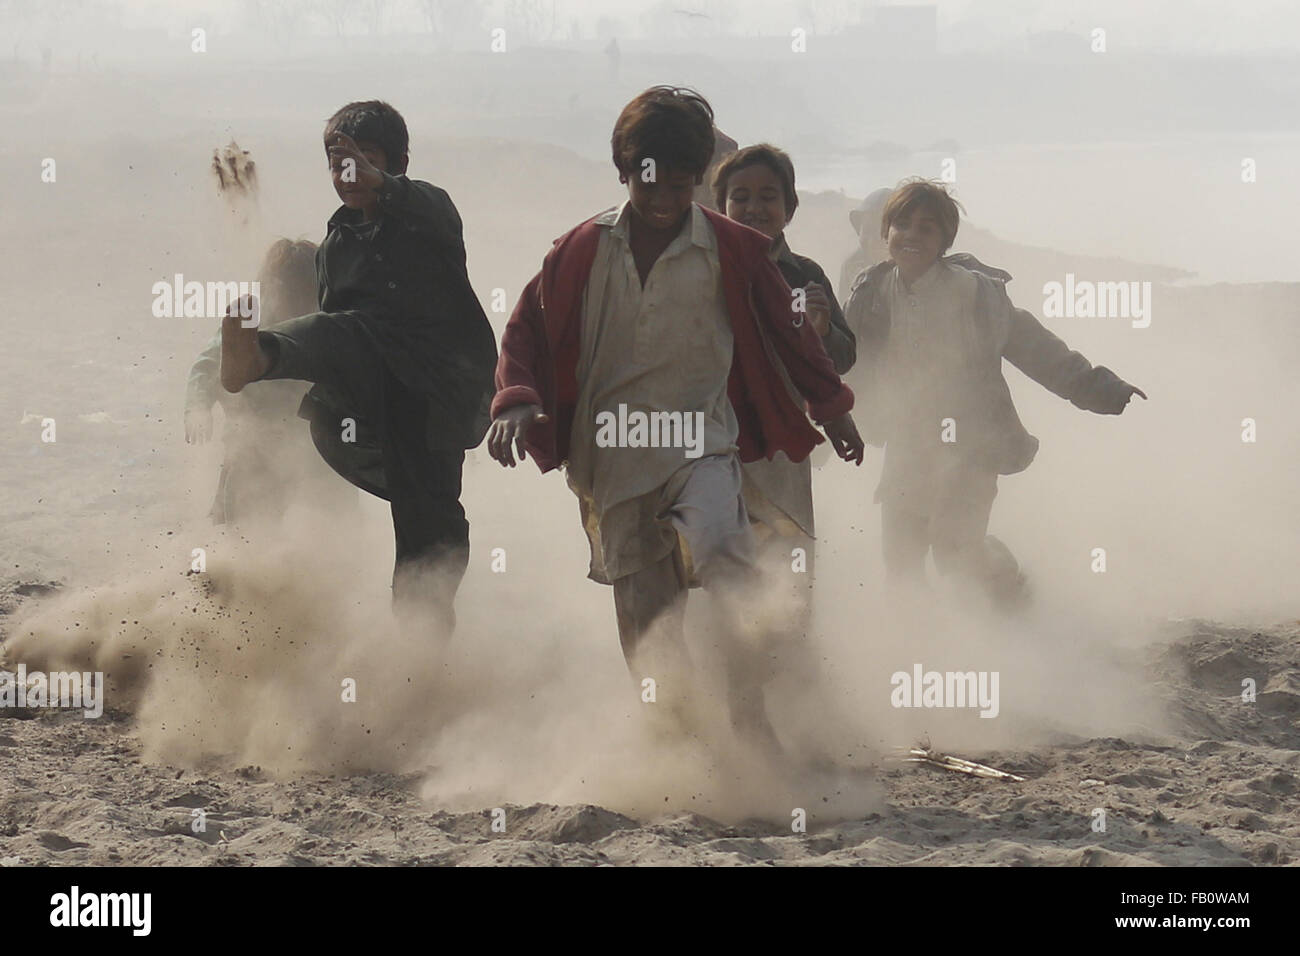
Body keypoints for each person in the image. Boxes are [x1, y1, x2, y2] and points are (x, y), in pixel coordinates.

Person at [488, 87, 864, 754]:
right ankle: (679, 740)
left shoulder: (734, 249)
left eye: (681, 181)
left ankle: (752, 717)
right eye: (647, 177)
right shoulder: (580, 250)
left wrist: (832, 410)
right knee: (647, 611)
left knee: (733, 568)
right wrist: (516, 396)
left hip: (702, 442)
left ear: (698, 180)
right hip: (614, 456)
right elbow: (527, 328)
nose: (663, 195)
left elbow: (790, 333)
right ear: (625, 169)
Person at [219, 100, 498, 634]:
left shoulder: (429, 212)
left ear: (398, 162)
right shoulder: (336, 247)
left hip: (436, 400)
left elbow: (428, 210)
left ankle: (422, 666)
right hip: (372, 394)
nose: (350, 174)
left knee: (431, 542)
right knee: (337, 330)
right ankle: (258, 358)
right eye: (338, 164)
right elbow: (331, 334)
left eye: (365, 160)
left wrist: (383, 185)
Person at [843, 179, 1146, 610]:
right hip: (907, 443)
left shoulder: (976, 294)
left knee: (955, 552)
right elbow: (846, 359)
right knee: (901, 558)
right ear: (885, 231)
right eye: (902, 224)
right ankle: (910, 645)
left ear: (945, 241)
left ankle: (1005, 583)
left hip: (971, 444)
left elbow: (1035, 347)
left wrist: (1098, 387)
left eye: (926, 228)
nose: (911, 235)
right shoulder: (869, 292)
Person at [711, 143, 855, 637]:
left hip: (781, 447)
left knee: (790, 555)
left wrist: (821, 334)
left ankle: (795, 673)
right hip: (713, 440)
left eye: (769, 196)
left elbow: (844, 358)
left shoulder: (803, 274)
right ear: (720, 206)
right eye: (740, 197)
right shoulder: (705, 269)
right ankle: (733, 681)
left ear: (790, 208)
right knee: (721, 565)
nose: (754, 208)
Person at [185, 239, 354, 525]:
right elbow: (208, 364)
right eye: (287, 289)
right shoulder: (251, 323)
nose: (294, 299)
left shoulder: (328, 323)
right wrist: (198, 406)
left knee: (337, 526)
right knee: (238, 531)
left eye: (303, 290)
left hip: (317, 447)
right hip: (254, 445)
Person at [838, 187, 893, 301]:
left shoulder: (909, 265)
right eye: (867, 230)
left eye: (881, 231)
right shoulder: (851, 265)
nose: (873, 240)